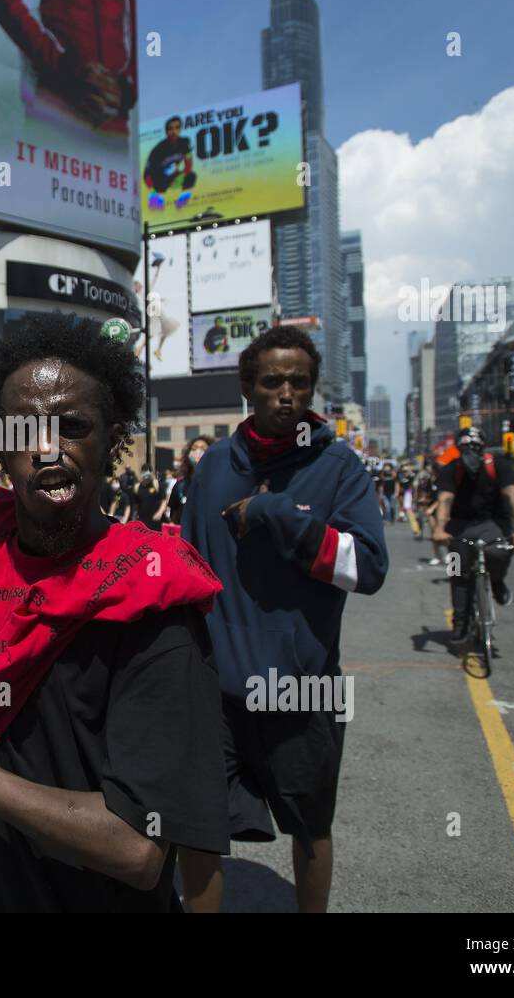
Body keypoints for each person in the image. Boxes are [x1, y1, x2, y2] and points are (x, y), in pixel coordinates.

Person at [0, 258, 230, 912]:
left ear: (113, 441)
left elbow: (137, 845)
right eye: (25, 432)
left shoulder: (153, 592)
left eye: (75, 426)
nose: (50, 449)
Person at [183, 326, 388, 913]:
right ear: (248, 387)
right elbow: (191, 564)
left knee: (311, 825)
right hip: (217, 689)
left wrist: (279, 515)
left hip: (302, 689)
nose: (286, 393)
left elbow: (368, 569)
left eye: (299, 382)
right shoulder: (215, 464)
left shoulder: (340, 467)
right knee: (200, 826)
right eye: (272, 381)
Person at [0, 0, 137, 133]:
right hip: (55, 111)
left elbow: (145, 19)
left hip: (116, 129)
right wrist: (65, 68)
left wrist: (124, 89)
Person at [432, 427, 514, 649]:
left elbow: (512, 496)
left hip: (493, 523)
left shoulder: (498, 465)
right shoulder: (451, 470)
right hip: (459, 526)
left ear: (482, 448)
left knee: (499, 552)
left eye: (474, 446)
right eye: (466, 447)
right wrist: (439, 529)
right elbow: (445, 500)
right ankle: (460, 624)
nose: (470, 451)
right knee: (457, 573)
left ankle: (496, 581)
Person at [142, 115, 197, 210]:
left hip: (173, 177)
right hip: (157, 180)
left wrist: (181, 173)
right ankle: (156, 206)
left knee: (191, 176)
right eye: (170, 129)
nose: (173, 132)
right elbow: (147, 174)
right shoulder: (159, 149)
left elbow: (188, 163)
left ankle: (181, 205)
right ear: (166, 131)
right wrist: (153, 191)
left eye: (177, 128)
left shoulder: (184, 143)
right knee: (161, 181)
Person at [167, 437, 212, 526]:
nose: (198, 452)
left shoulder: (215, 485)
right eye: (194, 449)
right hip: (184, 537)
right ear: (188, 454)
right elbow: (174, 515)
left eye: (203, 449)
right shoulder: (180, 486)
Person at [134, 464, 166, 531]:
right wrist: (136, 516)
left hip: (155, 521)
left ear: (151, 473)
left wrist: (159, 513)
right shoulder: (137, 487)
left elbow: (164, 501)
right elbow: (137, 504)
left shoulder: (157, 484)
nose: (146, 474)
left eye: (148, 471)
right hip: (142, 521)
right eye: (144, 471)